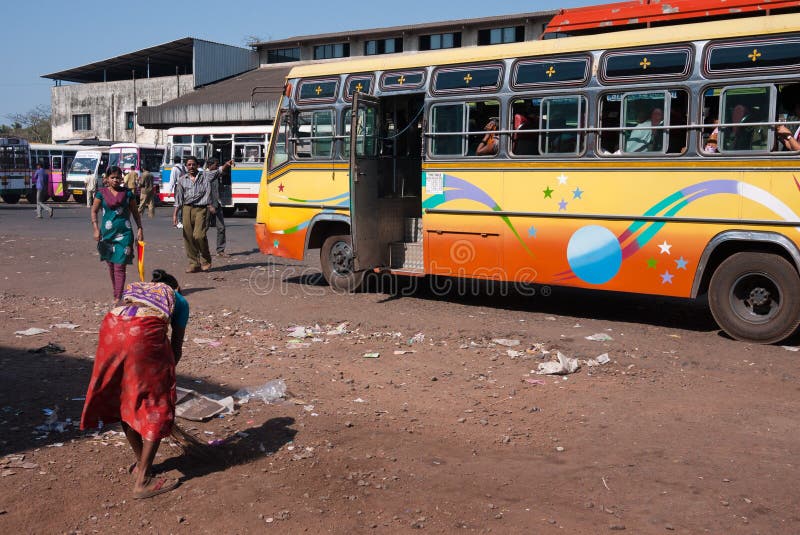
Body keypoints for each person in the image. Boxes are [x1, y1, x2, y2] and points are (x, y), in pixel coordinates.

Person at [80, 270, 189, 499]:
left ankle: (142, 463)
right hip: (142, 333)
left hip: (111, 327)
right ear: (175, 287)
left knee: (124, 396)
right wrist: (164, 378)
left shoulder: (135, 290)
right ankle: (143, 480)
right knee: (157, 405)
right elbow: (176, 348)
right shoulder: (178, 299)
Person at [91, 166, 143, 301]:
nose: (115, 180)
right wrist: (96, 228)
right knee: (111, 265)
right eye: (112, 177)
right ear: (107, 179)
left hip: (125, 234)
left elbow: (136, 214)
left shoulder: (128, 194)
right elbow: (94, 211)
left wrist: (140, 229)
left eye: (118, 177)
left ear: (122, 178)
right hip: (107, 235)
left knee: (119, 266)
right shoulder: (100, 193)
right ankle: (117, 293)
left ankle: (117, 297)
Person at [172, 156, 214, 273]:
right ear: (186, 167)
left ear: (197, 165)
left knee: (199, 235)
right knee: (188, 237)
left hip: (201, 209)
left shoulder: (205, 176)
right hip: (186, 209)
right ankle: (194, 263)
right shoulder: (181, 180)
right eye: (189, 165)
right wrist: (175, 215)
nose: (191, 167)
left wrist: (226, 165)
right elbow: (178, 200)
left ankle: (206, 259)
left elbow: (218, 171)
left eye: (193, 164)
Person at [205, 158, 233, 257]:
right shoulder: (205, 175)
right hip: (207, 205)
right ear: (209, 165)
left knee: (221, 228)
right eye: (215, 165)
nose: (217, 167)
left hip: (217, 204)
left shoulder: (216, 174)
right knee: (203, 229)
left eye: (217, 165)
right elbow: (204, 193)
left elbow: (221, 171)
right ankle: (201, 250)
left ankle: (220, 250)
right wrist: (209, 205)